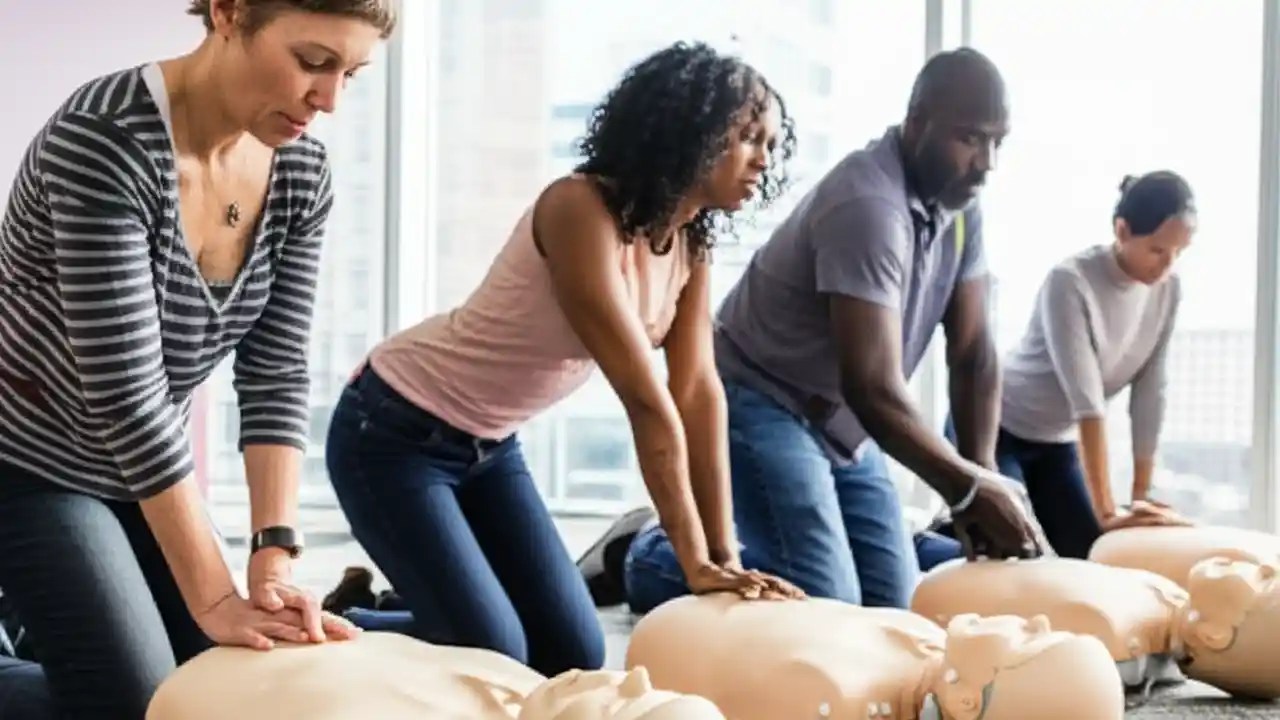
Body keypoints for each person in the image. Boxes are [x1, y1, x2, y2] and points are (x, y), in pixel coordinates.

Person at [322, 41, 805, 679]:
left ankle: (392, 604)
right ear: (693, 129)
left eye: (769, 142)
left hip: (490, 448)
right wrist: (692, 562)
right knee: (495, 652)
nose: (760, 160)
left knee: (573, 651)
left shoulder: (690, 243)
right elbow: (647, 399)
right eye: (747, 137)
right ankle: (340, 620)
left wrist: (726, 556)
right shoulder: (579, 209)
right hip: (391, 430)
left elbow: (697, 392)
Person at [0, 1, 394, 716]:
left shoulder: (300, 169)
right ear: (228, 11)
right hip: (25, 462)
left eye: (352, 73)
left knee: (231, 680)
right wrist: (215, 595)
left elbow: (275, 368)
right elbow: (128, 395)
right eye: (312, 62)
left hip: (138, 472)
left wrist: (272, 556)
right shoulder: (105, 140)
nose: (330, 100)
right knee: (145, 703)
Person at [582, 47, 1045, 616]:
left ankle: (758, 549)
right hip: (762, 399)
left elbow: (972, 352)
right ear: (917, 119)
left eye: (998, 141)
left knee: (892, 610)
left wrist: (982, 477)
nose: (986, 162)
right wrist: (968, 490)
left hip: (843, 425)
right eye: (970, 138)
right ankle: (647, 553)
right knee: (825, 605)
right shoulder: (869, 204)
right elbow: (872, 385)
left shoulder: (961, 210)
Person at [989, 171, 1196, 559]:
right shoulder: (1070, 281)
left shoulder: (1168, 290)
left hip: (1056, 442)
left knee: (1090, 552)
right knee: (1011, 550)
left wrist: (1139, 500)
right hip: (997, 426)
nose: (1167, 265)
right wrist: (1105, 511)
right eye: (1156, 250)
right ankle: (932, 541)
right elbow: (1087, 402)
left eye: (1178, 253)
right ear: (1122, 230)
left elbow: (1151, 393)